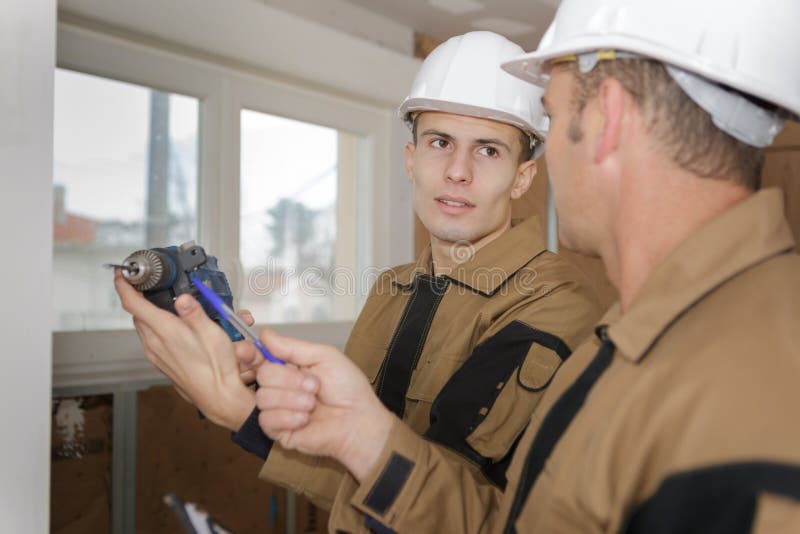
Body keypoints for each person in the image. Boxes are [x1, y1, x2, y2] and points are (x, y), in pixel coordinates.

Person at [241, 0, 800, 532]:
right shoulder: (645, 336)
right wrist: (268, 405)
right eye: (439, 143)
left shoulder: (736, 362)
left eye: (551, 115)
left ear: (608, 118)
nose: (458, 171)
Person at [115, 30, 601, 516]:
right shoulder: (393, 288)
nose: (458, 171)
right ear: (411, 160)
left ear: (522, 177)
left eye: (488, 150)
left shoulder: (554, 305)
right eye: (440, 142)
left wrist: (243, 414)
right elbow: (349, 456)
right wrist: (255, 387)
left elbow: (443, 505)